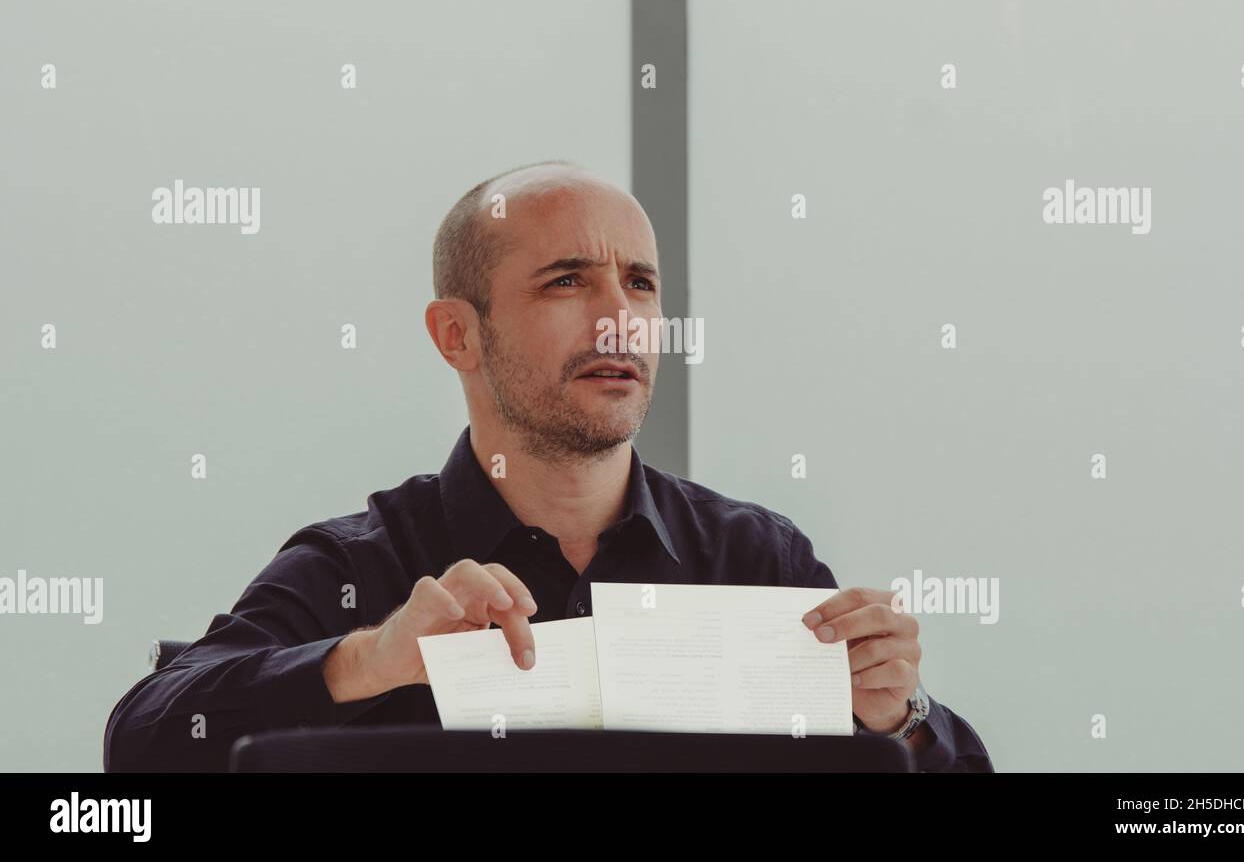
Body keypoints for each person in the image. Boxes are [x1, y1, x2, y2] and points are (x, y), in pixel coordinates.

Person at [103, 160, 993, 772]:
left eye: (640, 284)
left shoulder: (759, 562)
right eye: (567, 281)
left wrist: (898, 718)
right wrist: (369, 660)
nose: (619, 319)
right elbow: (140, 742)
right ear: (458, 334)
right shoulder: (362, 568)